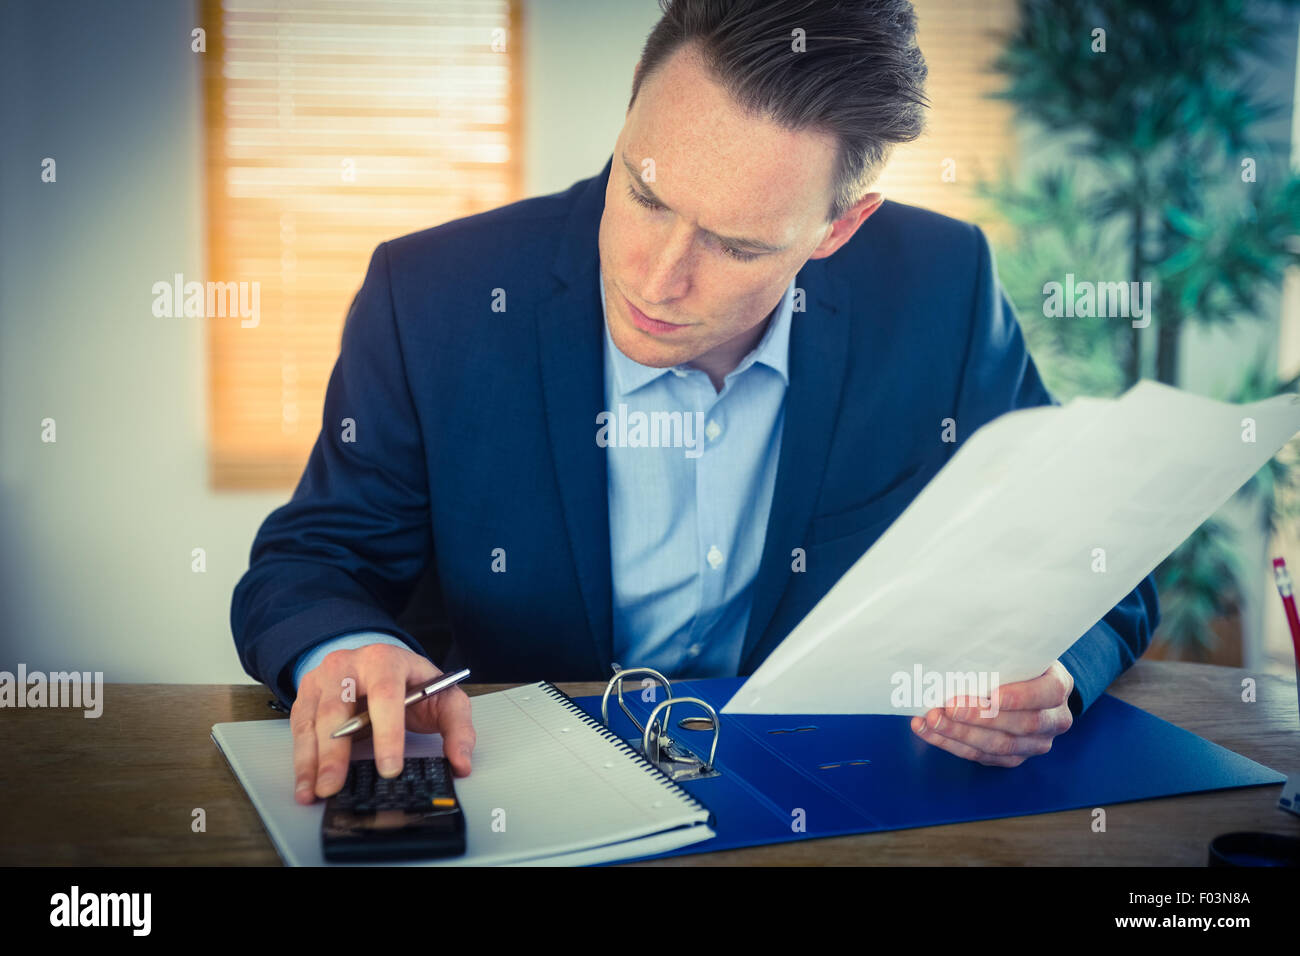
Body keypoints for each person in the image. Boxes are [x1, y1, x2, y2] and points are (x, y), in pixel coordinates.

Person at [231, 0, 1159, 806]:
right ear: (631, 107)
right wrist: (346, 649)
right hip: (518, 804)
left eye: (739, 247)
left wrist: (1057, 675)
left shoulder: (941, 289)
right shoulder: (432, 295)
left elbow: (1092, 556)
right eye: (644, 192)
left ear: (840, 228)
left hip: (840, 802)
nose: (655, 278)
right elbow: (311, 562)